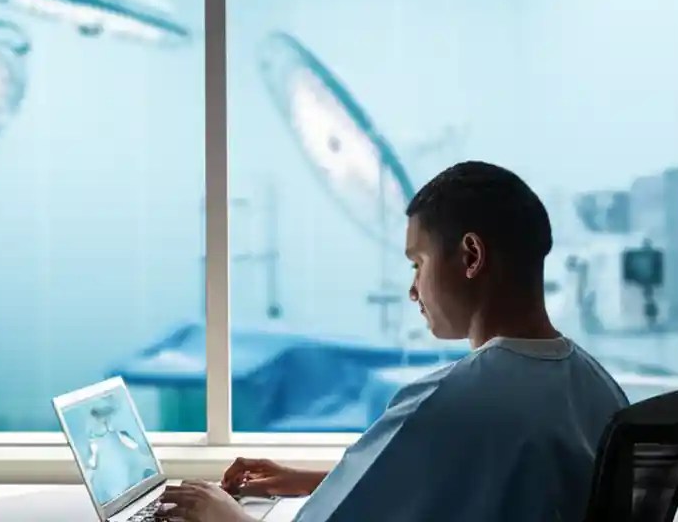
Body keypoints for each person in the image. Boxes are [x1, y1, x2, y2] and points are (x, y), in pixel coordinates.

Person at [158, 161, 629, 522]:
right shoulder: (597, 386)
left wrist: (223, 513)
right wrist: (308, 481)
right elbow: (471, 487)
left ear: (470, 256)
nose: (412, 290)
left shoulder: (450, 399)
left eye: (417, 263)